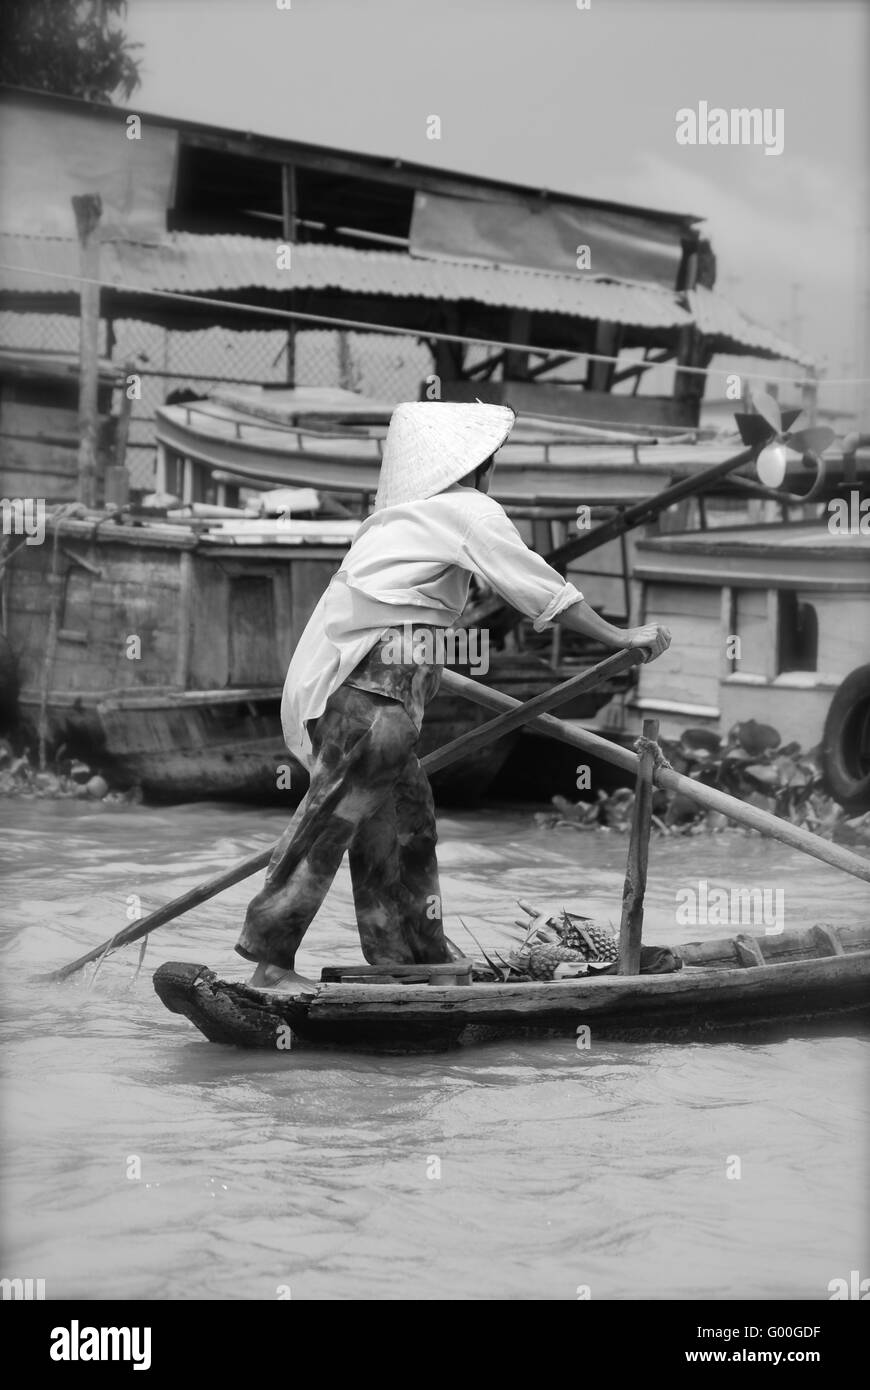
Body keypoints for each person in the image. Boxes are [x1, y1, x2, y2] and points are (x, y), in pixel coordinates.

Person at [236, 401, 671, 991]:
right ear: (482, 467)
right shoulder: (469, 509)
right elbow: (537, 585)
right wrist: (621, 636)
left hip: (366, 693)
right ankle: (271, 962)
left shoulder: (400, 520)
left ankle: (413, 956)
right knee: (327, 824)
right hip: (371, 698)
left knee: (406, 825)